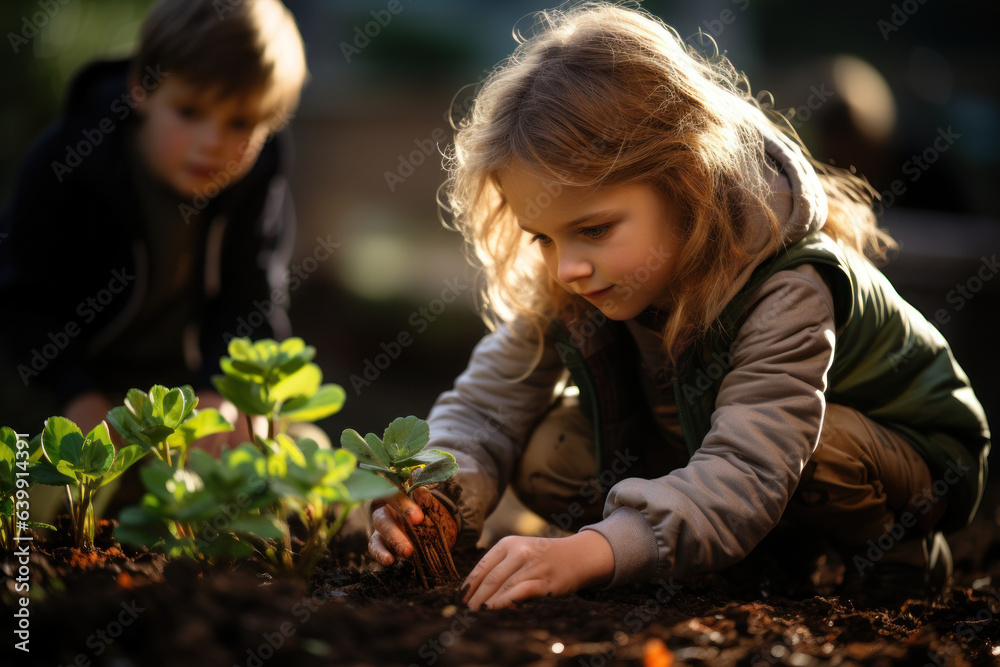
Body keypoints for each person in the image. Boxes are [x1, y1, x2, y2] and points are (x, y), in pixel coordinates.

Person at [368, 3, 991, 610]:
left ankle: (901, 556)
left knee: (821, 453)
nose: (566, 266)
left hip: (906, 463)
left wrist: (589, 553)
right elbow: (483, 410)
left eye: (595, 228)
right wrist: (431, 497)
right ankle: (740, 553)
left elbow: (750, 468)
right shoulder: (582, 280)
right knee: (547, 452)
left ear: (686, 180)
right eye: (544, 238)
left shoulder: (787, 287)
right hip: (723, 455)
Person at [0, 0, 307, 453]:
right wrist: (77, 396)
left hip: (188, 394)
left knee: (296, 454)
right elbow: (20, 299)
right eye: (189, 111)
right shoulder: (66, 162)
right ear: (140, 89)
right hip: (70, 395)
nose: (212, 142)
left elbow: (251, 302)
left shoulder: (257, 180)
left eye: (241, 122)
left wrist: (220, 393)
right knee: (39, 500)